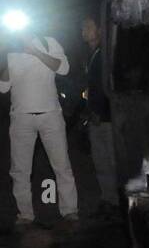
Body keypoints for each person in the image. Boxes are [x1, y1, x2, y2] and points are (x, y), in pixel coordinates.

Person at [0, 21, 78, 228]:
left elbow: (63, 68)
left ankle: (69, 210)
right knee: (19, 170)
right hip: (21, 117)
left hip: (50, 114)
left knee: (61, 165)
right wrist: (7, 58)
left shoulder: (49, 42)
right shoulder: (10, 51)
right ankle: (25, 214)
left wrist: (34, 50)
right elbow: (3, 87)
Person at [80, 15, 119, 217]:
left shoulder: (106, 54)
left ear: (100, 30)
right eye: (83, 27)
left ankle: (119, 201)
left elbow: (109, 86)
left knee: (112, 161)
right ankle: (109, 200)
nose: (83, 31)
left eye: (88, 26)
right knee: (101, 162)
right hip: (97, 117)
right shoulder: (92, 55)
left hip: (107, 118)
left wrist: (99, 111)